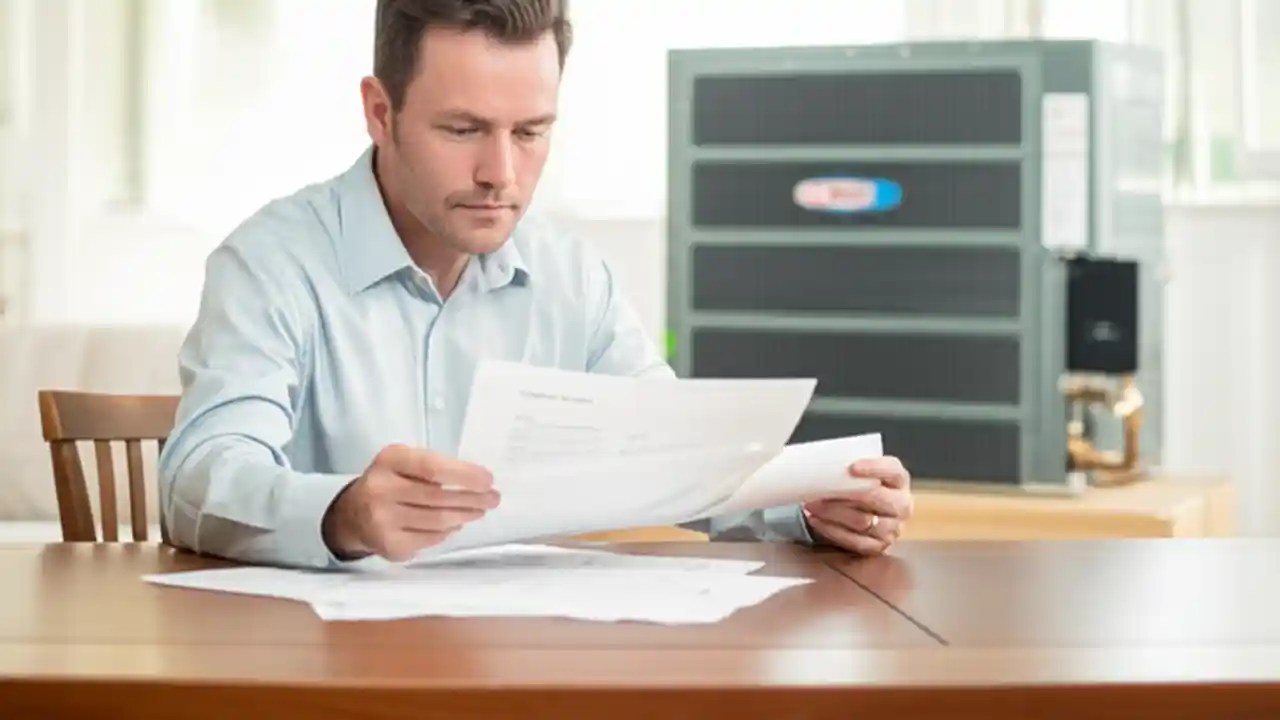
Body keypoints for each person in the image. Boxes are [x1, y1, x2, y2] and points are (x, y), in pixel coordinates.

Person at [158, 0, 914, 569]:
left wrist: (805, 508)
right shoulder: (271, 264)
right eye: (463, 131)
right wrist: (342, 513)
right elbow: (201, 478)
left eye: (530, 132)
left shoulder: (573, 278)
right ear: (380, 113)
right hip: (326, 680)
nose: (502, 174)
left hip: (526, 666)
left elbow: (674, 462)